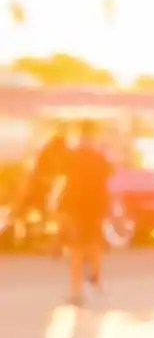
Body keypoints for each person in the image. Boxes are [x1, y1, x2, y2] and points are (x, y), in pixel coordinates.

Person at [57, 121, 113, 305]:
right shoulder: (100, 157)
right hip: (93, 207)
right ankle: (95, 279)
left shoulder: (73, 156)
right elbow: (107, 178)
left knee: (77, 249)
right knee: (92, 244)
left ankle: (77, 290)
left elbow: (66, 181)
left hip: (78, 208)